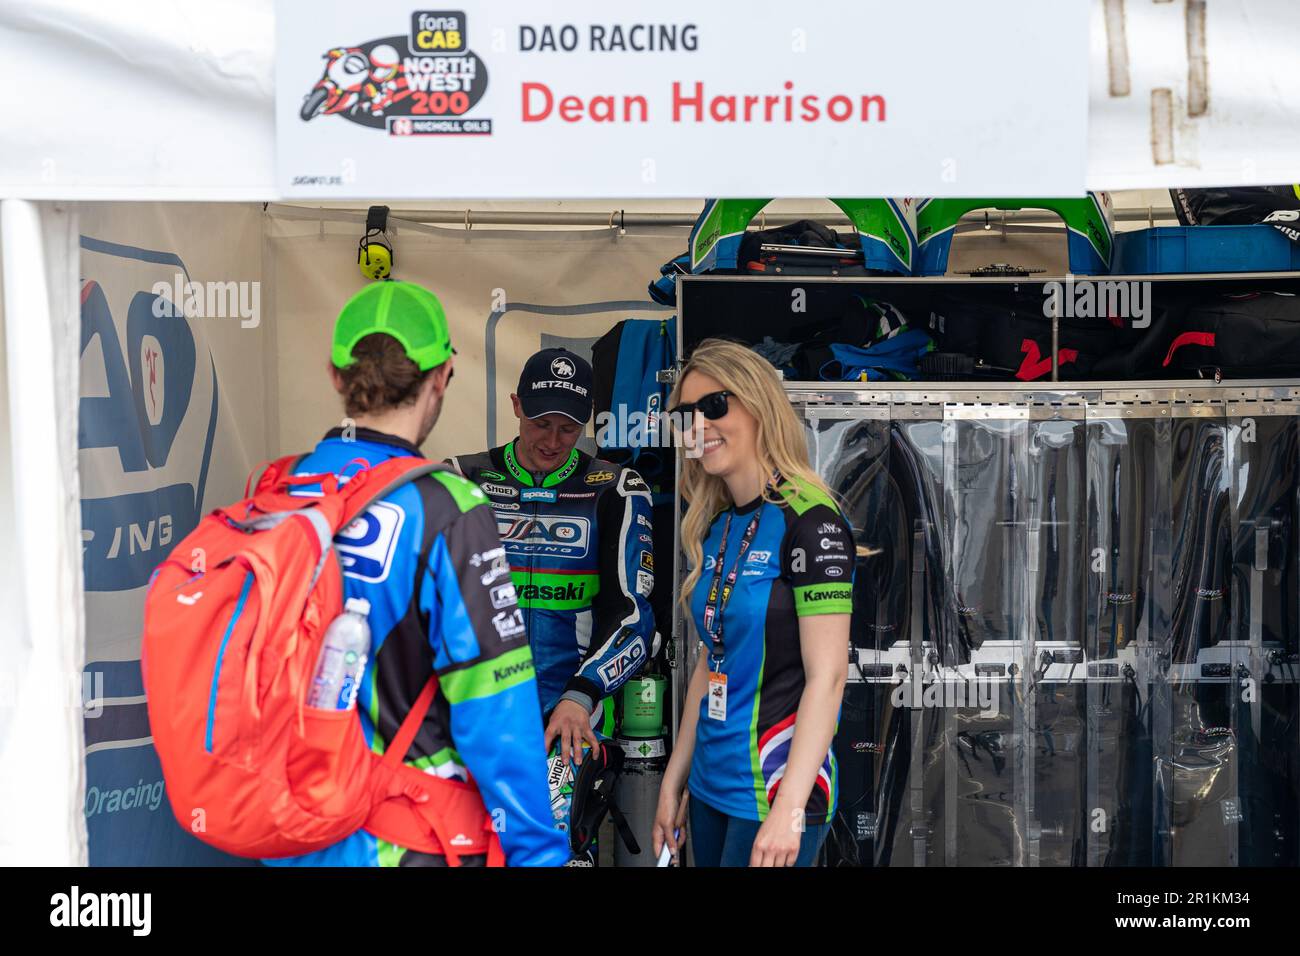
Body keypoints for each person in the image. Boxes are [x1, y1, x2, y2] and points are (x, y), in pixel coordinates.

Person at [267, 280, 568, 867]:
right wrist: (539, 854)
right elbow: (496, 710)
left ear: (335, 375)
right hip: (402, 838)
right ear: (442, 376)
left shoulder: (279, 492)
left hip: (293, 835)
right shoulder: (446, 509)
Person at [652, 339, 852, 867]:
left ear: (759, 403)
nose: (698, 425)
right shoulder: (717, 523)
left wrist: (788, 808)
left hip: (773, 793)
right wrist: (675, 780)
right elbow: (709, 660)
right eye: (686, 414)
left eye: (714, 406)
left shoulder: (812, 521)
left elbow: (829, 677)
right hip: (711, 788)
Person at [448, 348, 657, 766]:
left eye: (568, 428)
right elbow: (427, 606)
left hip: (572, 716)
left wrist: (582, 694)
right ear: (516, 405)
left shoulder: (615, 489)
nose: (552, 441)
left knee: (557, 833)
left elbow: (636, 620)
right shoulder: (461, 478)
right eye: (541, 424)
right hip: (473, 713)